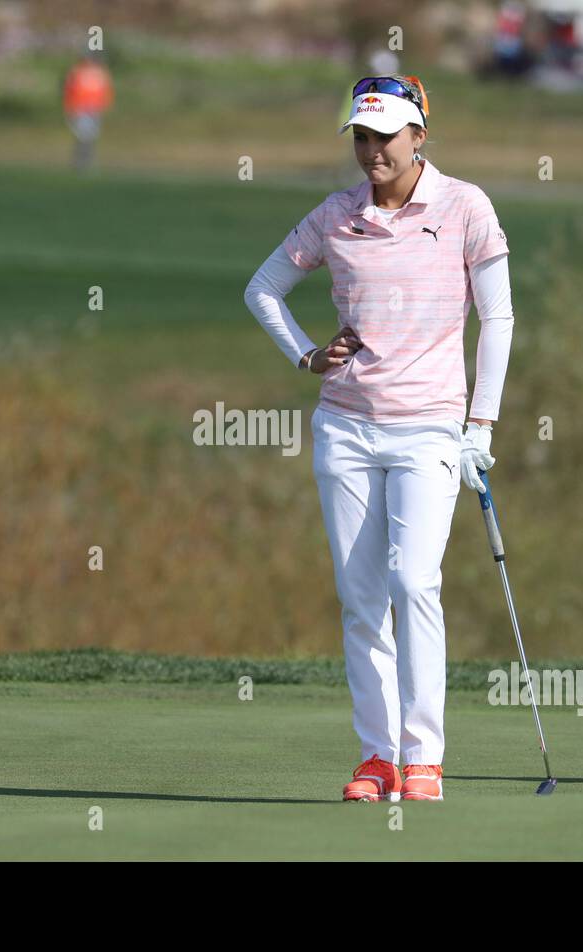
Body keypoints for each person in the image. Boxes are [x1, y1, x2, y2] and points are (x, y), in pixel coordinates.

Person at [243, 75, 515, 802]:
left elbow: (499, 320)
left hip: (430, 427)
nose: (372, 151)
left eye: (386, 136)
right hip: (345, 426)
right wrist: (305, 353)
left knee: (413, 581)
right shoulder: (336, 216)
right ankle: (378, 758)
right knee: (361, 597)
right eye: (361, 138)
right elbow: (262, 287)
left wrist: (480, 423)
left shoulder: (466, 208)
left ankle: (424, 755)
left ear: (420, 135)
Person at [61, 52, 114, 173]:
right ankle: (81, 162)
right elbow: (69, 90)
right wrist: (70, 107)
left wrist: (104, 105)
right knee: (83, 136)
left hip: (94, 109)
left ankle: (86, 162)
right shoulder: (77, 72)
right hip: (80, 109)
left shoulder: (101, 73)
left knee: (90, 137)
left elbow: (106, 91)